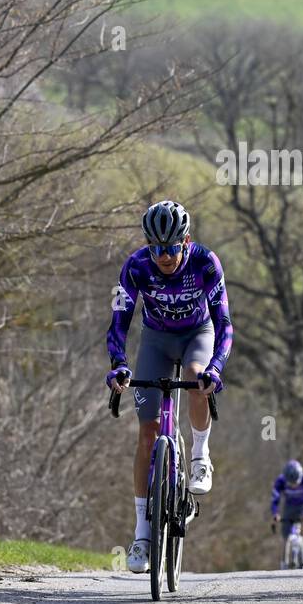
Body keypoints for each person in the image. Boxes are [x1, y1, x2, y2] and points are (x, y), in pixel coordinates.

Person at [106, 200, 232, 574]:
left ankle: (199, 456)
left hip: (198, 334)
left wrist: (216, 368)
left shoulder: (205, 262)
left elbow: (224, 323)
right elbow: (118, 322)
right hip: (157, 341)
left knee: (196, 375)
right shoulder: (137, 265)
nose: (163, 255)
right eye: (156, 247)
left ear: (186, 242)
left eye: (171, 247)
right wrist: (119, 366)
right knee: (147, 433)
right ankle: (143, 534)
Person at [270, 459, 303, 564]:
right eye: (290, 484)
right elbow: (275, 500)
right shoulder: (280, 481)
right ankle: (284, 562)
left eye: (296, 483)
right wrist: (275, 514)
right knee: (285, 534)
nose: (294, 486)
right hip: (289, 506)